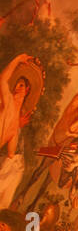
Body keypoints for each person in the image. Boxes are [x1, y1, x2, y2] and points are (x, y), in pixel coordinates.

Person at [0, 54, 44, 210]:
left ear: (27, 91)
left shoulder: (17, 121)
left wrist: (18, 127)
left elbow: (11, 154)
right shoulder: (8, 101)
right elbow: (3, 81)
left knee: (16, 165)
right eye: (17, 84)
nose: (17, 88)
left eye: (21, 86)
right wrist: (17, 59)